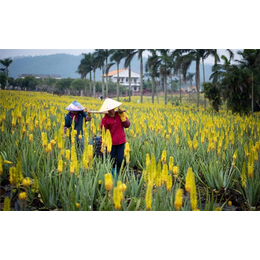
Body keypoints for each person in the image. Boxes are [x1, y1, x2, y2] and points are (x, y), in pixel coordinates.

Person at [99, 98, 130, 177]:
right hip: (111, 143)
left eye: (113, 109)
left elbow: (127, 125)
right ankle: (114, 175)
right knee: (112, 160)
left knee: (120, 160)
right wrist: (103, 143)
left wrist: (123, 117)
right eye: (110, 110)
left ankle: (120, 173)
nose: (112, 111)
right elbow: (103, 132)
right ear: (107, 110)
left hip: (121, 142)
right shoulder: (105, 119)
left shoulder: (119, 115)